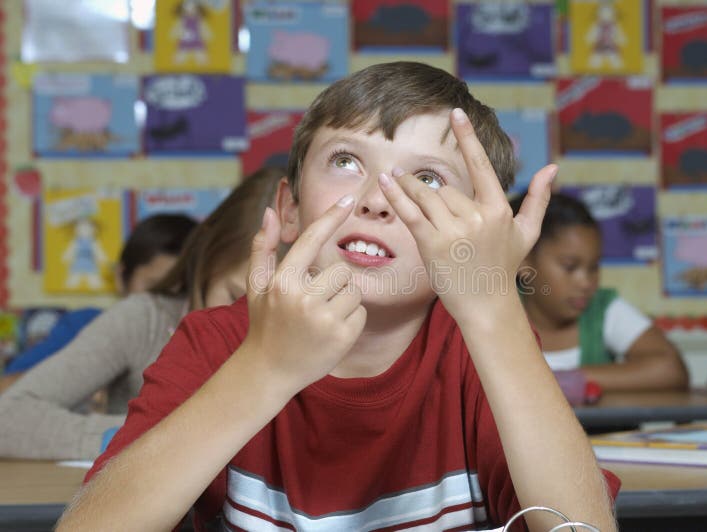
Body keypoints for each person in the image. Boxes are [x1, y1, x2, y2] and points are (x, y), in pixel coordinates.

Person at [59, 63, 619, 532]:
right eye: (347, 162)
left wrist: (494, 307)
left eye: (426, 179)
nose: (378, 200)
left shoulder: (482, 352)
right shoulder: (217, 342)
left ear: (475, 229)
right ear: (291, 206)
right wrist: (265, 368)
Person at [0, 167, 282, 460]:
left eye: (278, 308)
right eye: (236, 298)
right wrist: (146, 434)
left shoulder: (314, 337)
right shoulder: (144, 320)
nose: (252, 328)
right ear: (206, 258)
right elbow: (8, 418)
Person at [0, 213, 197, 393]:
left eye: (182, 292)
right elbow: (7, 388)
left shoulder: (195, 342)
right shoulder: (84, 324)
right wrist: (90, 371)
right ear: (121, 277)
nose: (167, 303)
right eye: (155, 288)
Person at [512, 192, 689, 392]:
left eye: (594, 267)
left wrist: (570, 379)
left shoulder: (602, 309)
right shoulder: (499, 310)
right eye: (570, 267)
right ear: (524, 261)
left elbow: (670, 368)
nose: (586, 283)